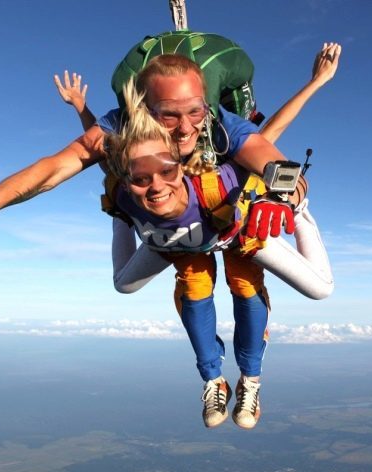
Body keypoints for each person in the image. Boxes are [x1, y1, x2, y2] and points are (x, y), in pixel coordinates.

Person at [102, 59, 336, 428]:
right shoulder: (147, 172)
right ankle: (214, 379)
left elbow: (272, 139)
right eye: (170, 117)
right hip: (185, 237)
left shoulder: (230, 160)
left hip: (237, 233)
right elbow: (107, 157)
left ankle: (250, 379)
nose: (184, 129)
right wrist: (123, 212)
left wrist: (287, 199)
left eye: (194, 113)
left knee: (304, 287)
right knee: (154, 283)